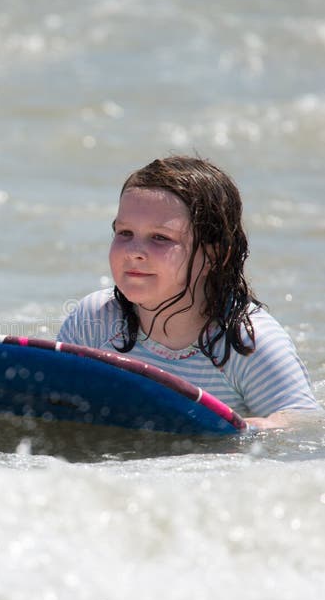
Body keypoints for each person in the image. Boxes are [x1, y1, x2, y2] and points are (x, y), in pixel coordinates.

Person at [58, 155, 321, 429]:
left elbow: (304, 423)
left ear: (215, 254)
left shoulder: (246, 343)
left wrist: (249, 429)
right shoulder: (95, 321)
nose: (134, 252)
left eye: (160, 238)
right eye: (124, 233)